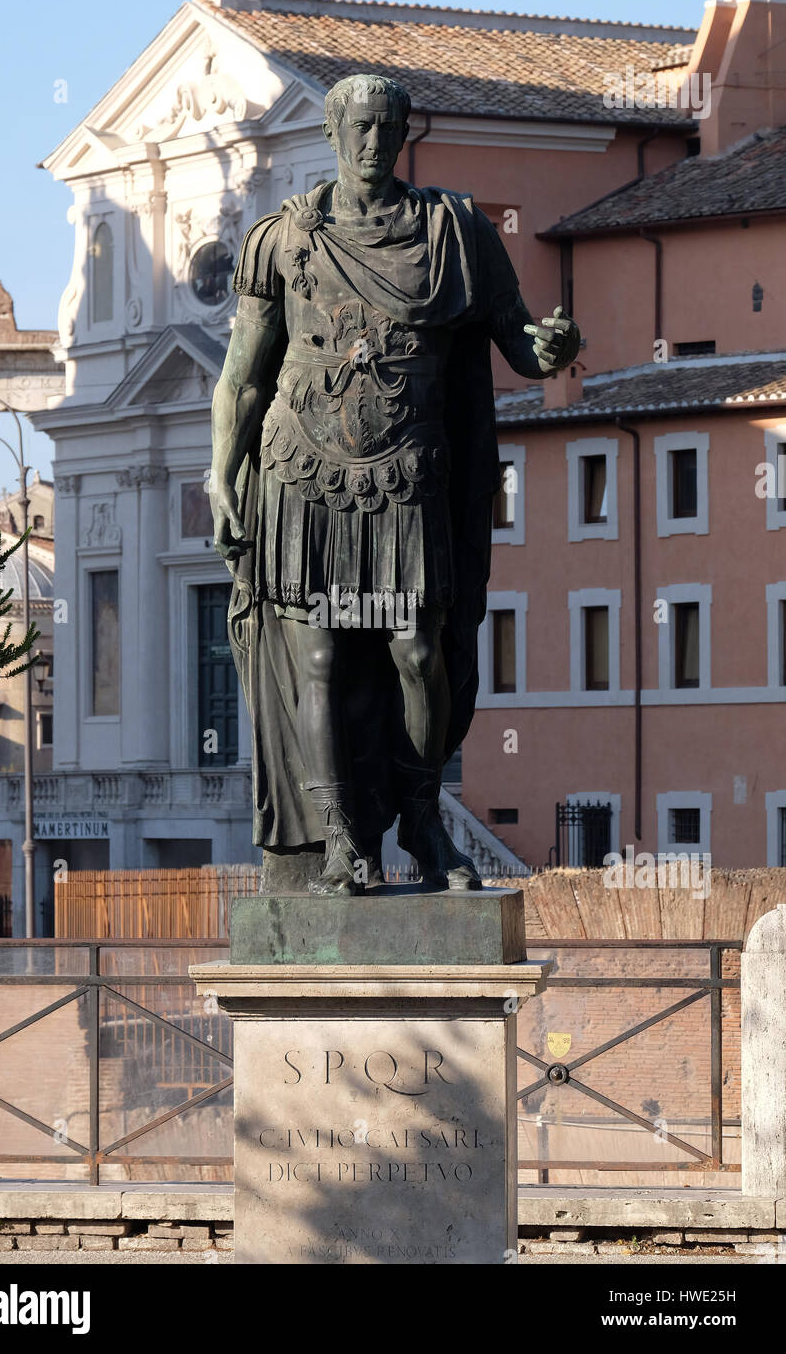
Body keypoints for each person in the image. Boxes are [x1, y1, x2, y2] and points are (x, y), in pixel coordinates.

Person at [209, 73, 580, 895]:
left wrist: (548, 351)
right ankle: (337, 838)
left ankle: (420, 819)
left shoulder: (453, 230)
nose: (371, 143)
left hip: (407, 478)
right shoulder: (282, 239)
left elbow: (516, 340)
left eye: (386, 129)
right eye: (358, 128)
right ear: (333, 134)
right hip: (302, 475)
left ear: (403, 134)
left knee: (416, 649)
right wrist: (220, 472)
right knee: (321, 656)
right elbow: (241, 375)